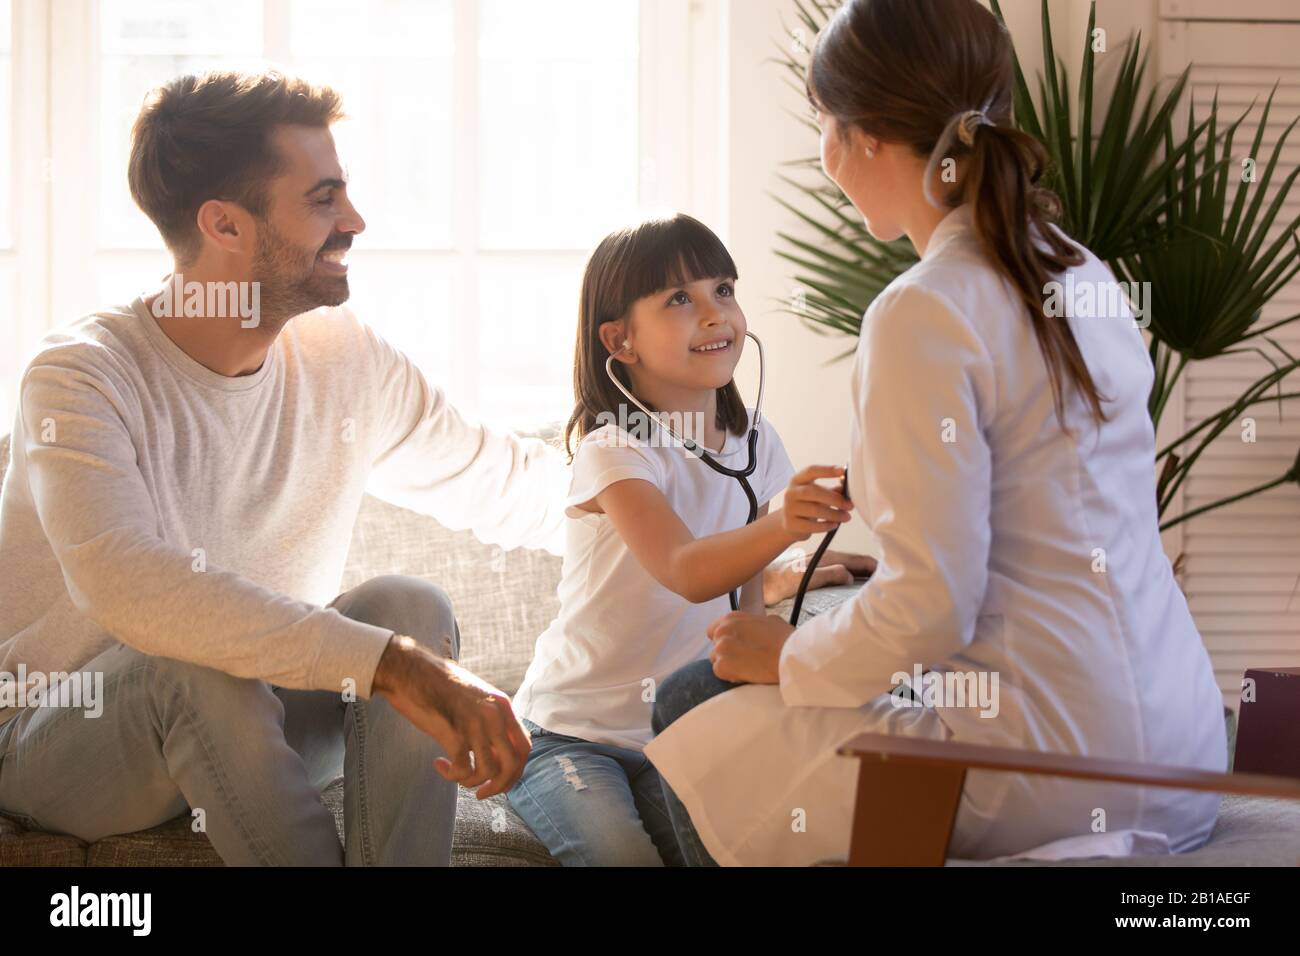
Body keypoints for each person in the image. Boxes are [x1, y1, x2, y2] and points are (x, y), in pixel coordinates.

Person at [647, 0, 1228, 866]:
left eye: (822, 120)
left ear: (866, 135)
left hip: (1041, 768)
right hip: (1183, 753)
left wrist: (796, 655)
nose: (824, 151)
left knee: (690, 700)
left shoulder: (921, 311)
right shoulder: (1085, 273)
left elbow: (933, 602)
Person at [506, 214, 856, 865]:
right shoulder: (615, 453)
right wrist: (784, 525)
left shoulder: (758, 442)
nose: (715, 313)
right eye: (679, 299)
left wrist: (784, 576)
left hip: (682, 725)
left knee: (744, 849)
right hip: (573, 737)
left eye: (724, 289)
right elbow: (685, 567)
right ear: (621, 341)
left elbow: (742, 604)